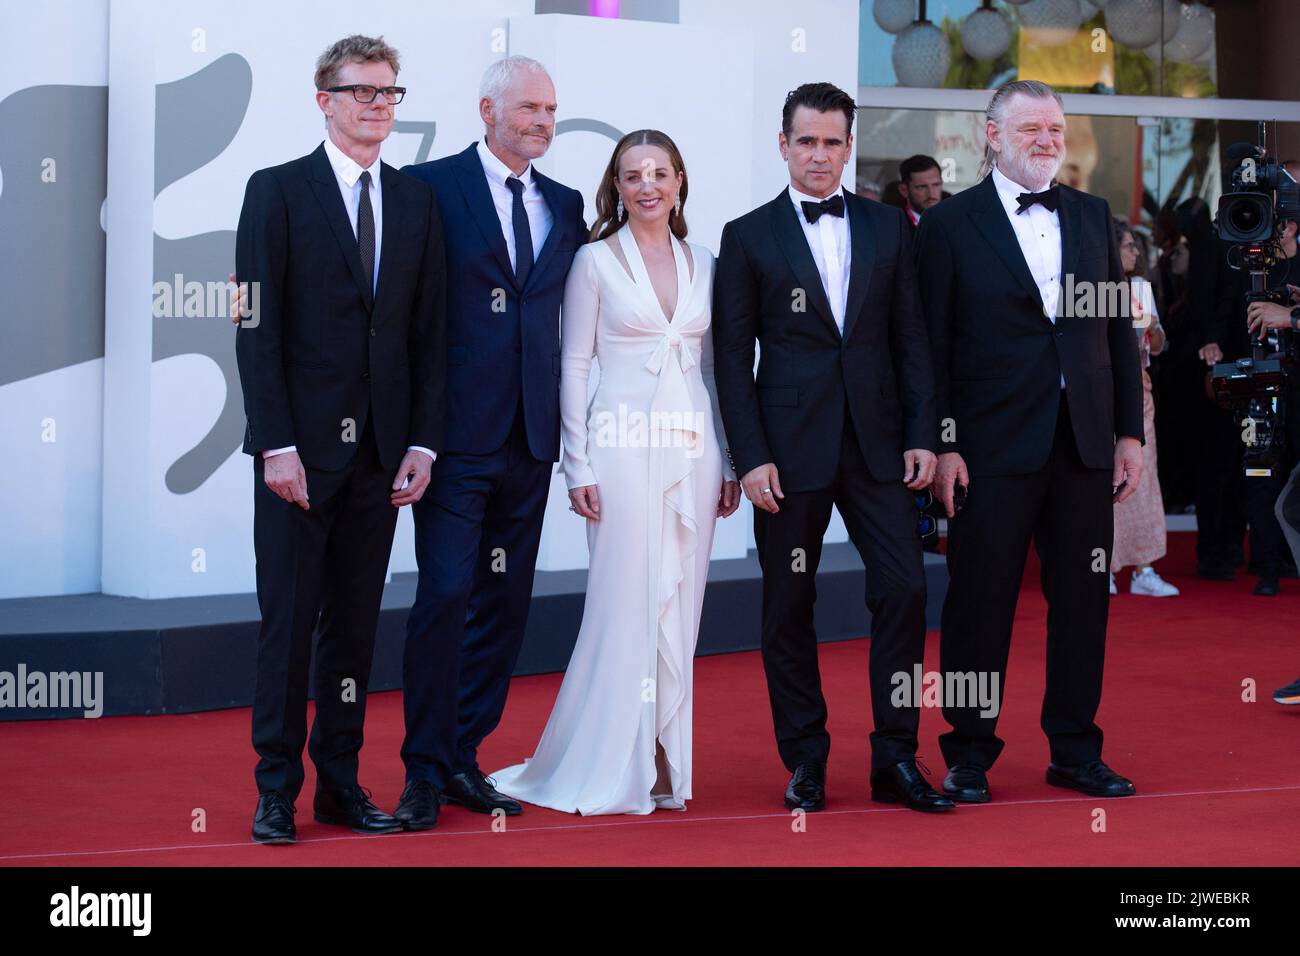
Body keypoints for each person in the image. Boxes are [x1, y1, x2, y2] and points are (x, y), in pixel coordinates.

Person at [713, 83, 951, 814]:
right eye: (806, 141)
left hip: (880, 449)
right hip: (788, 456)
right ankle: (805, 760)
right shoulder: (747, 235)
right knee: (789, 604)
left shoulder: (888, 227)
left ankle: (895, 757)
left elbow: (912, 338)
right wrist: (749, 456)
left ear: (849, 147)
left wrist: (923, 434)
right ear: (783, 145)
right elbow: (732, 359)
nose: (819, 155)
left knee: (905, 590)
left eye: (831, 142)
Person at [234, 34, 447, 845]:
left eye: (389, 92)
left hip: (381, 458)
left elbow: (429, 335)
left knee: (354, 632)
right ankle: (275, 791)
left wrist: (423, 442)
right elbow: (256, 327)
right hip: (299, 456)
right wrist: (274, 443)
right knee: (288, 628)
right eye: (363, 91)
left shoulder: (416, 201)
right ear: (324, 100)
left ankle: (340, 785)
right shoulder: (276, 191)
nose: (378, 105)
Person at [489, 131, 740, 815]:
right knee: (625, 600)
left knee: (681, 603)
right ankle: (608, 760)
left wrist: (729, 456)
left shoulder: (705, 262)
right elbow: (572, 365)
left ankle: (660, 760)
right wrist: (577, 464)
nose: (647, 186)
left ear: (679, 181)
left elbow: (714, 370)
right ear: (617, 188)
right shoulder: (593, 261)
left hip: (693, 450)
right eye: (633, 176)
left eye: (660, 173)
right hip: (620, 449)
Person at [915, 79, 1144, 803]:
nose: (1047, 140)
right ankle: (968, 753)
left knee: (1084, 604)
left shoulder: (1092, 214)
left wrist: (1129, 433)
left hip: (1083, 443)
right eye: (1031, 129)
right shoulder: (949, 225)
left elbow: (1117, 330)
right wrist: (944, 443)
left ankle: (1075, 751)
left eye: (1055, 128)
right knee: (979, 605)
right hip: (988, 448)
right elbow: (930, 346)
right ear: (993, 135)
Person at [393, 56, 588, 828]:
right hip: (454, 438)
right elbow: (397, 302)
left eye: (551, 110)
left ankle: (461, 759)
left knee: (503, 604)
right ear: (487, 110)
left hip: (530, 440)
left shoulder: (565, 203)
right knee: (445, 595)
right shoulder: (429, 188)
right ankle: (421, 768)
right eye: (530, 108)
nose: (543, 121)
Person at [1211, 216, 1299, 596]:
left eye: (1270, 223)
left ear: (1290, 226)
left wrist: (1290, 318)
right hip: (1259, 388)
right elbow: (1225, 315)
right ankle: (1266, 567)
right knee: (1260, 473)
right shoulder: (1246, 269)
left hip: (1295, 387)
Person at [1110, 221, 1179, 597]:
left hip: (1139, 391)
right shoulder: (1084, 288)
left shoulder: (1139, 287)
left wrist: (1153, 328)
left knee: (1144, 476)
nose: (1136, 253)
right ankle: (1102, 566)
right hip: (1098, 393)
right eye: (1128, 246)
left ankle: (1144, 568)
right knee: (1100, 478)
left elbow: (1155, 347)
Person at [897, 154, 943, 230]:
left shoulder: (954, 220)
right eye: (922, 187)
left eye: (936, 185)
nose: (931, 194)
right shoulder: (894, 226)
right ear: (904, 190)